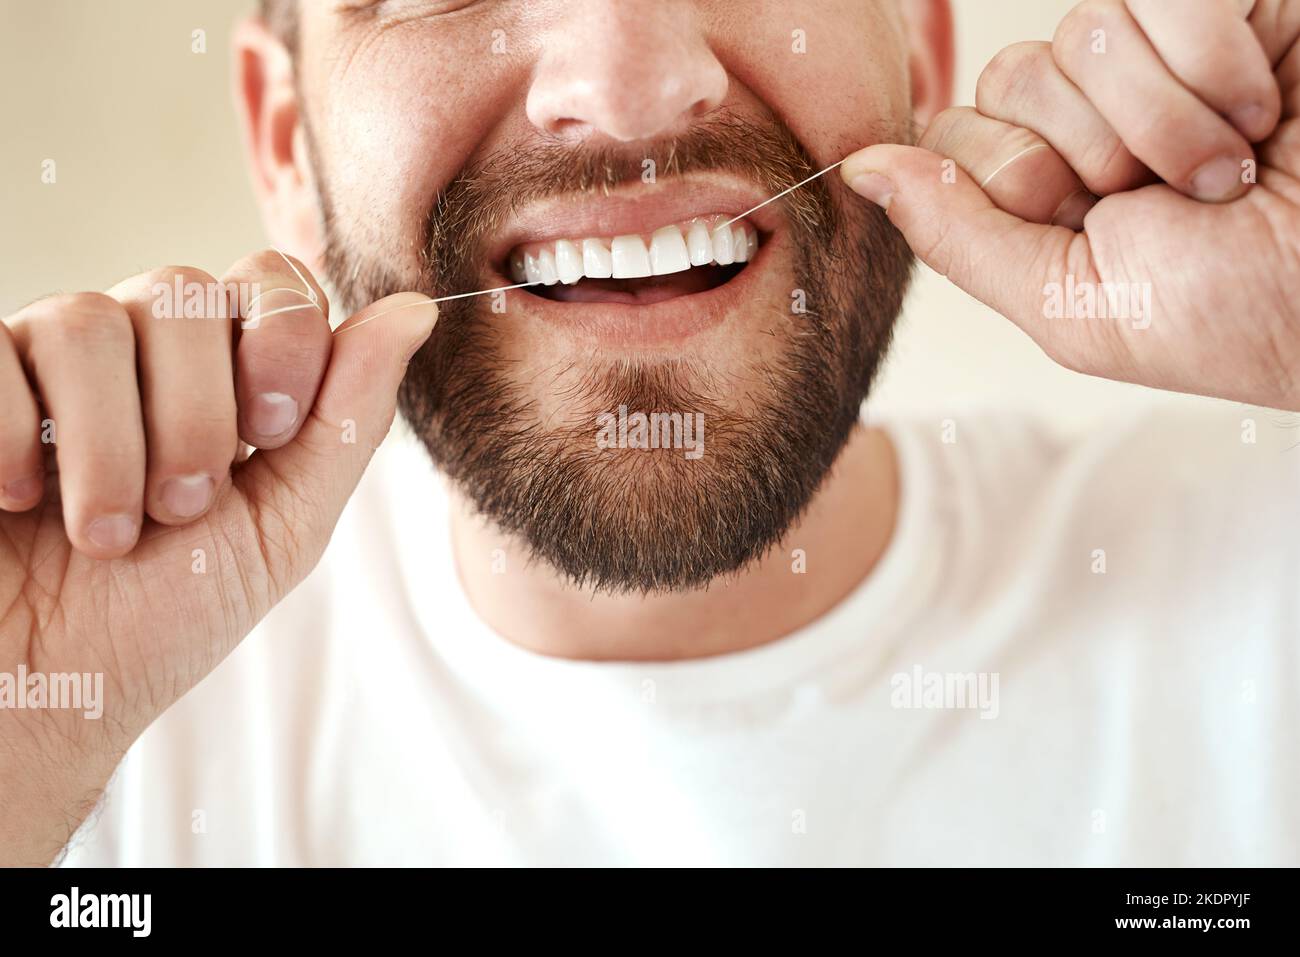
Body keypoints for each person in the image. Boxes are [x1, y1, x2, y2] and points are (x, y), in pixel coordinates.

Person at [1, 0, 1297, 866]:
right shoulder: (100, 744)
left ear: (922, 56)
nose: (626, 87)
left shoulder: (1259, 589)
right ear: (289, 142)